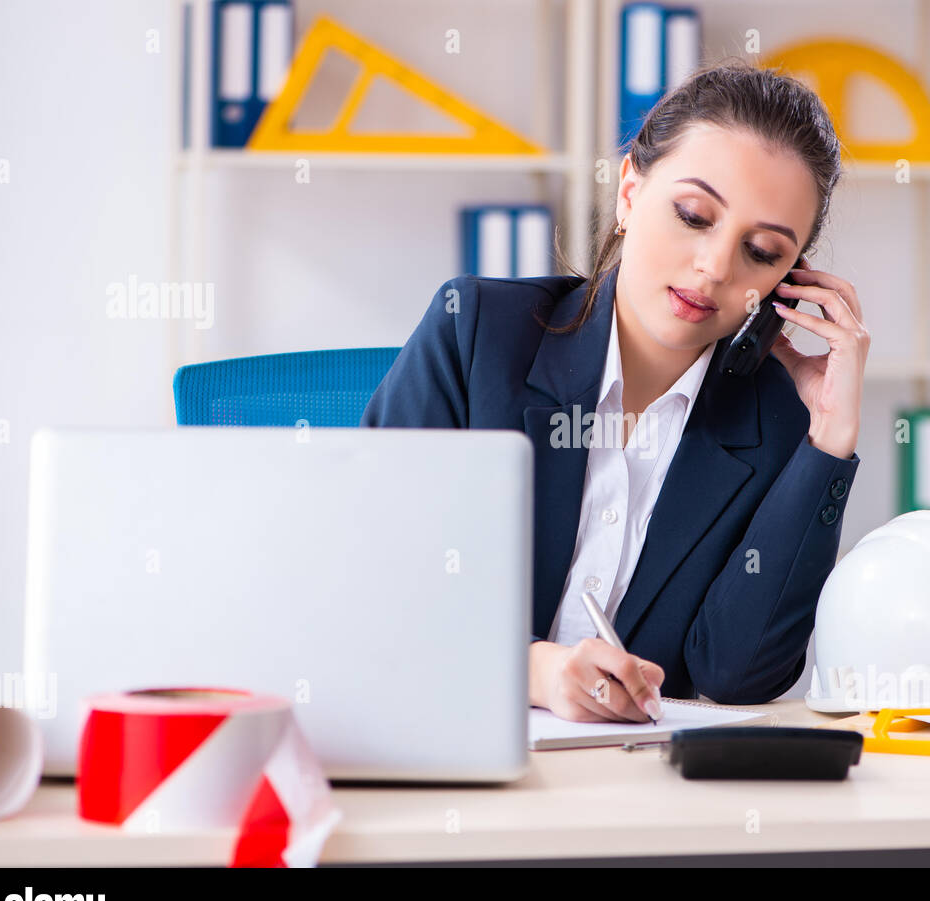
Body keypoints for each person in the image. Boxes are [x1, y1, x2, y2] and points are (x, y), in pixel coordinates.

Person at [361, 59, 871, 723]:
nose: (715, 266)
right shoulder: (477, 334)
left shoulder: (774, 422)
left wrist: (828, 441)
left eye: (763, 251)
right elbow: (373, 579)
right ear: (630, 192)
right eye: (693, 216)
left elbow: (736, 674)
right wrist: (535, 669)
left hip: (634, 799)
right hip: (439, 745)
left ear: (789, 280)